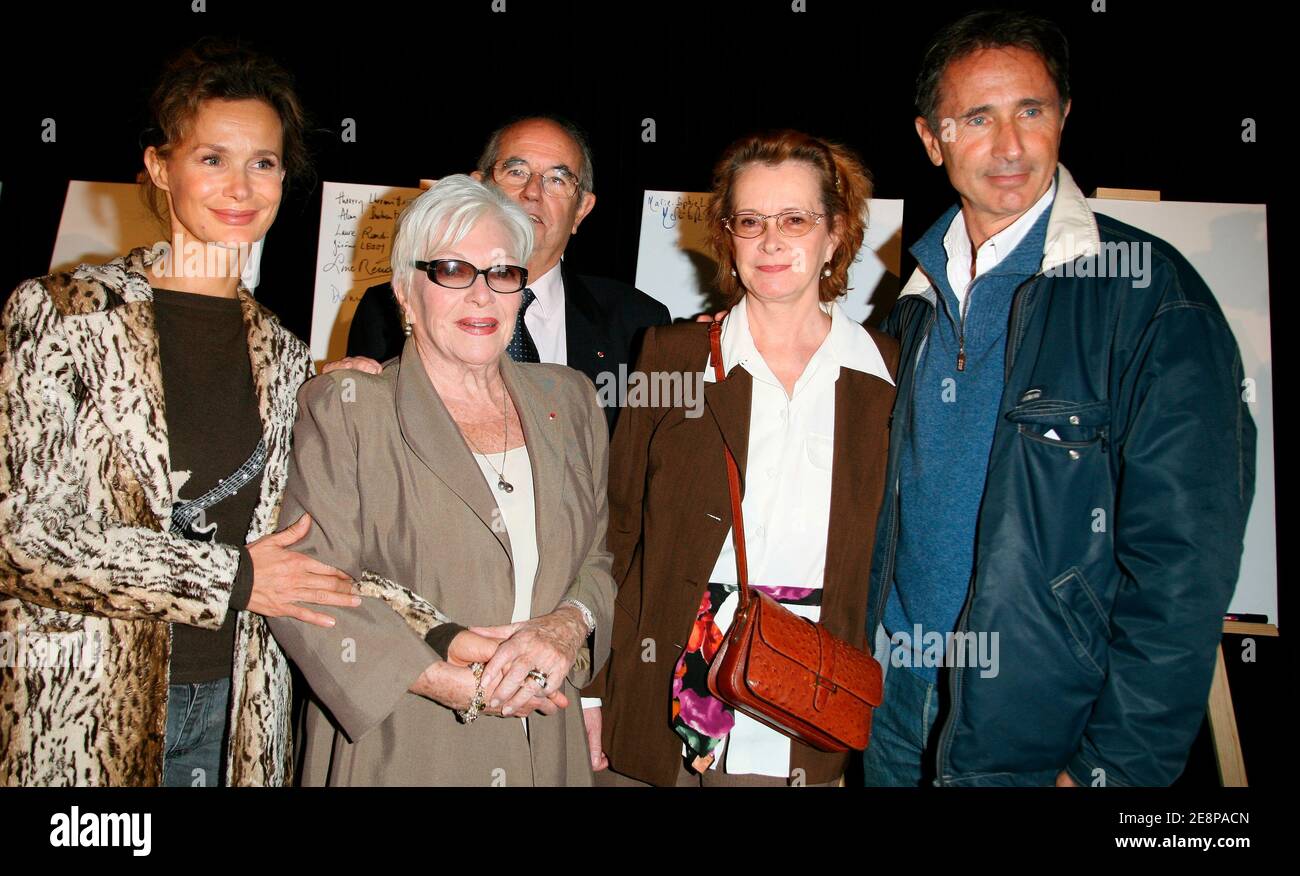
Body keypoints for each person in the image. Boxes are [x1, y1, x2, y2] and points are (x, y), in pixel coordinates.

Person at [863, 9, 1256, 787]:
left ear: (1064, 118)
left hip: (1038, 729)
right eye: (977, 117)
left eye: (1031, 111)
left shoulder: (1149, 294)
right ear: (931, 138)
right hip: (890, 702)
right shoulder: (908, 302)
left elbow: (1183, 568)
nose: (1009, 146)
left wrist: (1115, 763)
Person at [0, 40, 356, 786]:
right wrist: (227, 579)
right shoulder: (64, 313)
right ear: (161, 168)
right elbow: (22, 537)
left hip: (237, 707)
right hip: (86, 705)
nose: (241, 186)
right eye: (212, 158)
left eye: (263, 162)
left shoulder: (286, 356)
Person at [267, 174, 615, 786]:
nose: (482, 296)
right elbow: (308, 587)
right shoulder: (347, 406)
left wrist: (568, 626)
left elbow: (598, 558)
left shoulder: (572, 399)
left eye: (504, 273)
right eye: (453, 270)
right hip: (404, 738)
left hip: (546, 740)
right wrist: (443, 682)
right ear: (405, 292)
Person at [581, 131, 898, 786]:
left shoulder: (888, 374)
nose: (771, 242)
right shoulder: (670, 356)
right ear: (727, 235)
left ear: (835, 233)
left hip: (815, 701)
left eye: (795, 220)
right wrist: (592, 689)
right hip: (669, 692)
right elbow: (616, 533)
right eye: (750, 221)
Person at [341, 115, 671, 432]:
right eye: (516, 171)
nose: (532, 192)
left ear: (581, 210)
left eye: (557, 179)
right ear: (478, 187)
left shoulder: (639, 326)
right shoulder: (388, 308)